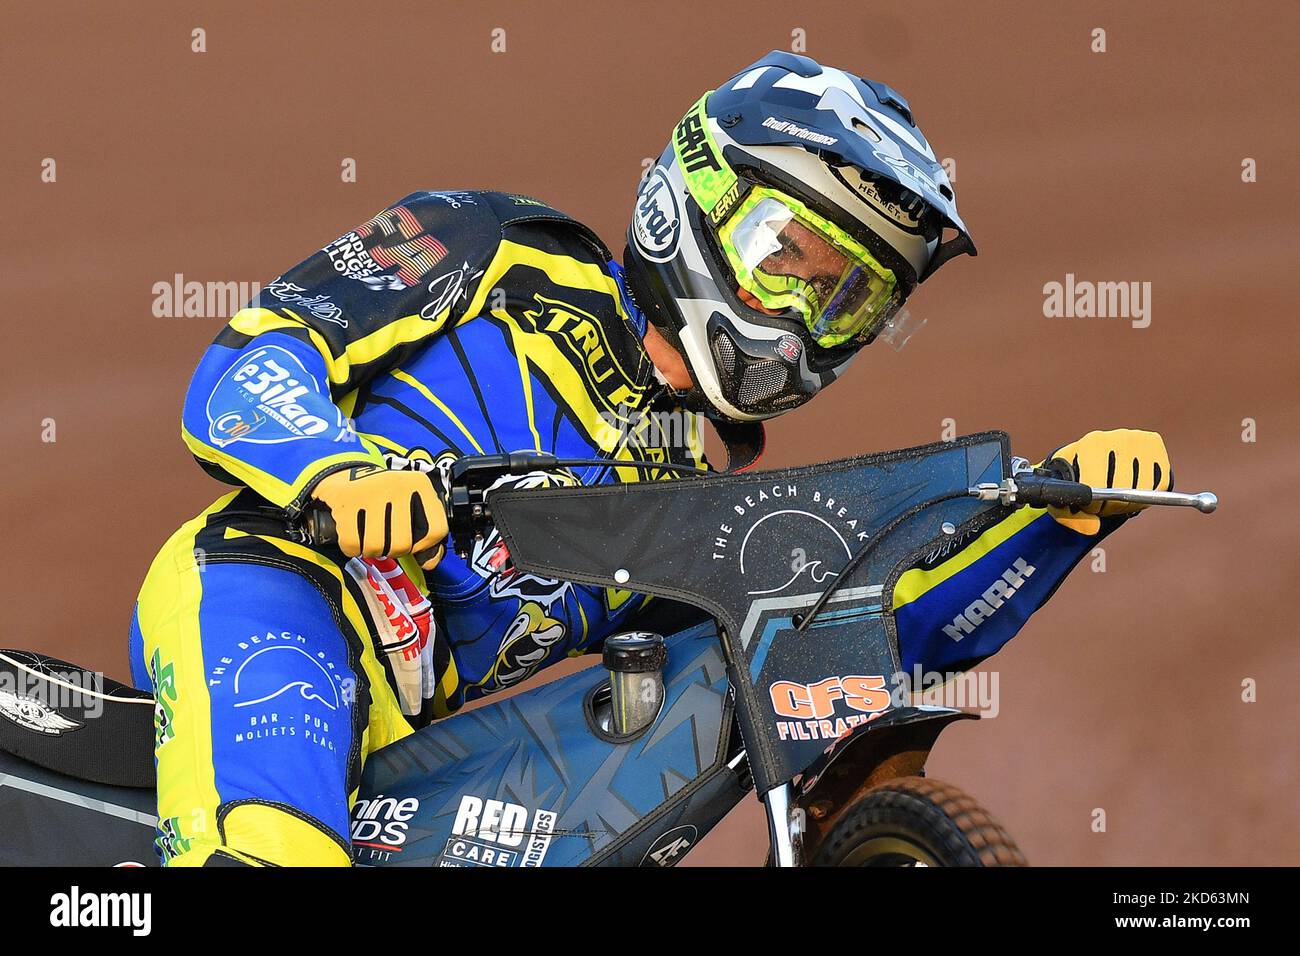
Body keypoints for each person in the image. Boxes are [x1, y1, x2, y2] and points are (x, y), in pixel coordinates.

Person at [128, 51, 1172, 866]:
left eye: (847, 298)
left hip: (409, 720)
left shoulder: (692, 497)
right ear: (696, 197)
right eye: (789, 263)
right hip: (269, 588)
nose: (806, 319)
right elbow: (253, 355)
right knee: (273, 850)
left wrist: (1054, 523)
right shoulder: (489, 243)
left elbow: (854, 635)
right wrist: (338, 472)